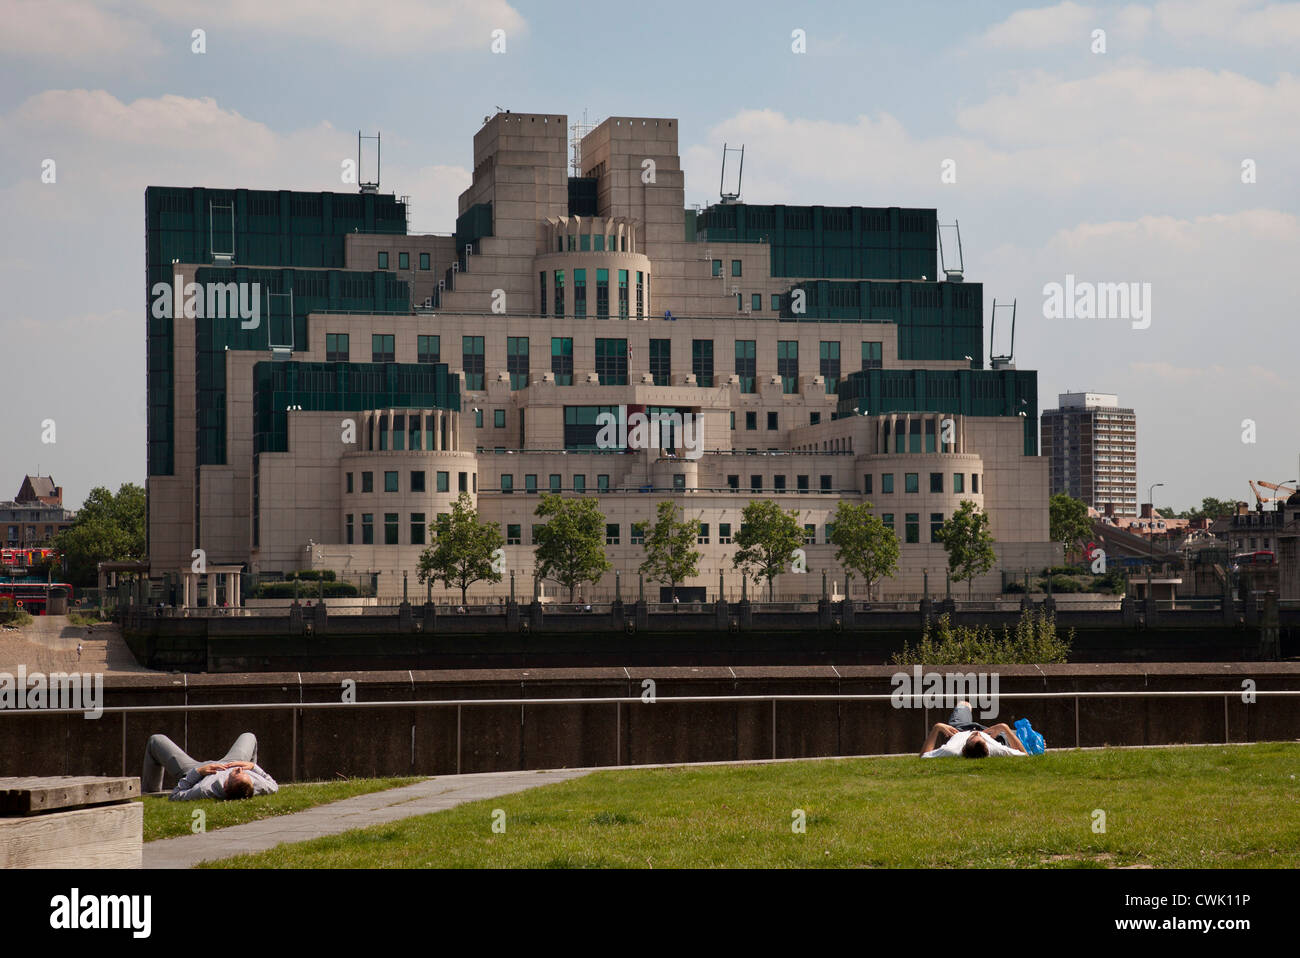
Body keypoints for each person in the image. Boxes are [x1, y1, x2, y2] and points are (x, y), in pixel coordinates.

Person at [142, 731, 278, 800]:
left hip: (196, 769)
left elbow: (175, 796)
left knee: (156, 740)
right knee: (249, 736)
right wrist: (251, 766)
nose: (239, 770)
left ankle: (149, 793)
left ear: (225, 786)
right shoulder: (259, 786)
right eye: (243, 773)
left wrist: (198, 772)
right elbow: (274, 785)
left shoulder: (205, 789)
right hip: (234, 760)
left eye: (237, 774)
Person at [919, 701, 1028, 758]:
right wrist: (1004, 727)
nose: (977, 732)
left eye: (973, 737)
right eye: (979, 737)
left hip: (960, 729)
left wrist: (937, 727)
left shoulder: (951, 750)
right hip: (992, 735)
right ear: (987, 747)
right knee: (1021, 734)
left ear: (963, 748)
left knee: (964, 704)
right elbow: (1025, 755)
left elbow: (923, 756)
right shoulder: (996, 750)